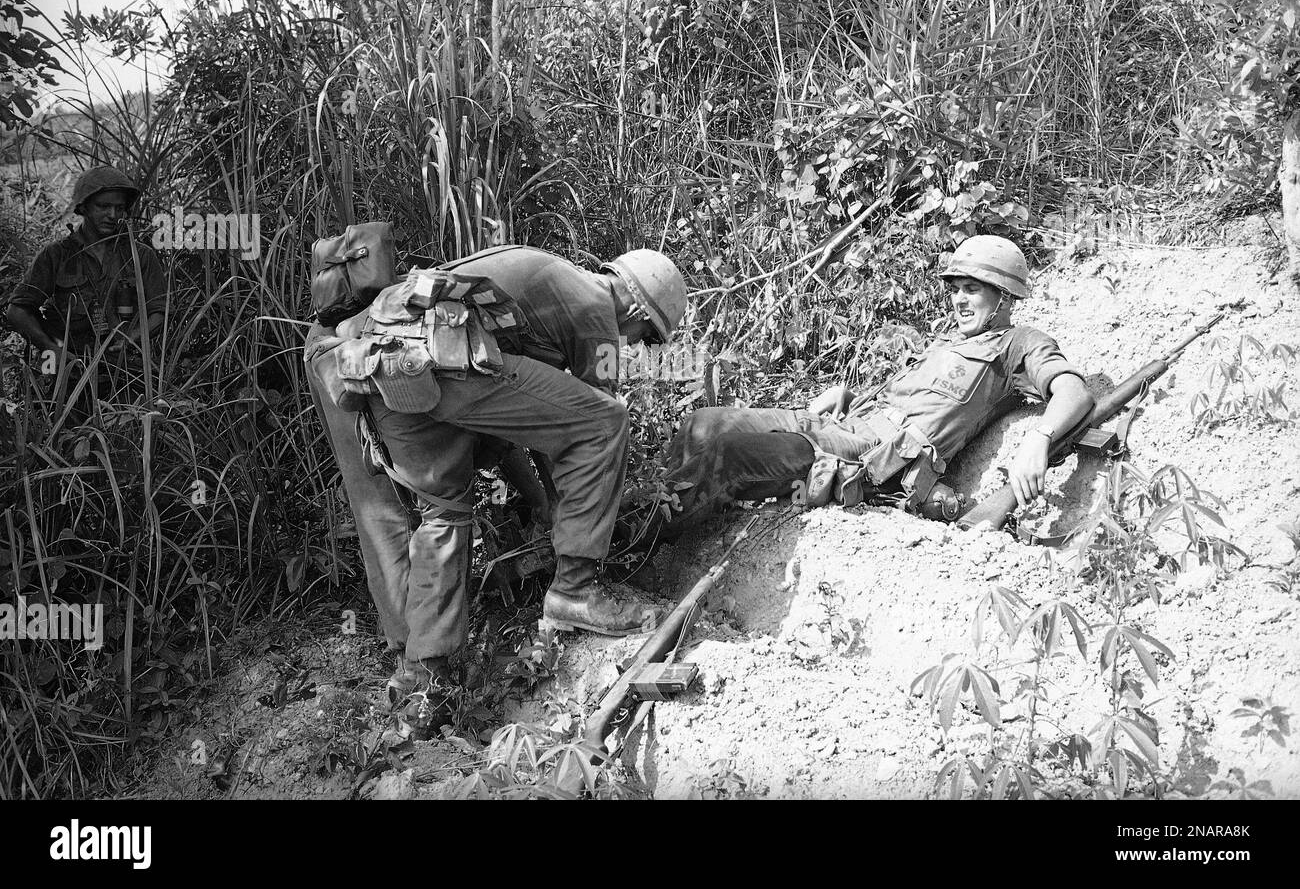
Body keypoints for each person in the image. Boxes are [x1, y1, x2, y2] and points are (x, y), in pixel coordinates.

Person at [305, 244, 688, 721]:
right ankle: (576, 589)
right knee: (606, 421)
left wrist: (551, 508)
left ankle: (422, 680)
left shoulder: (547, 277)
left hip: (381, 363)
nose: (635, 346)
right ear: (635, 307)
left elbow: (531, 430)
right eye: (646, 336)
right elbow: (587, 431)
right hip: (431, 361)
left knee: (443, 512)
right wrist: (572, 520)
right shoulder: (596, 307)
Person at [654, 235, 1094, 535]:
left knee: (731, 455)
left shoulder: (1017, 344)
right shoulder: (944, 340)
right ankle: (660, 521)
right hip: (847, 422)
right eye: (955, 288)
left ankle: (639, 537)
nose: (959, 299)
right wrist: (846, 395)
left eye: (973, 290)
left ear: (1004, 296)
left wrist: (1039, 440)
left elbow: (1074, 391)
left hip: (871, 456)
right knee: (702, 423)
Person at [6, 166, 166, 372]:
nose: (112, 215)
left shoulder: (140, 255)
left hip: (125, 368)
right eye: (103, 206)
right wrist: (51, 348)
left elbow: (160, 310)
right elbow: (17, 310)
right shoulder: (56, 255)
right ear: (84, 208)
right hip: (70, 366)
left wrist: (131, 339)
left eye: (119, 208)